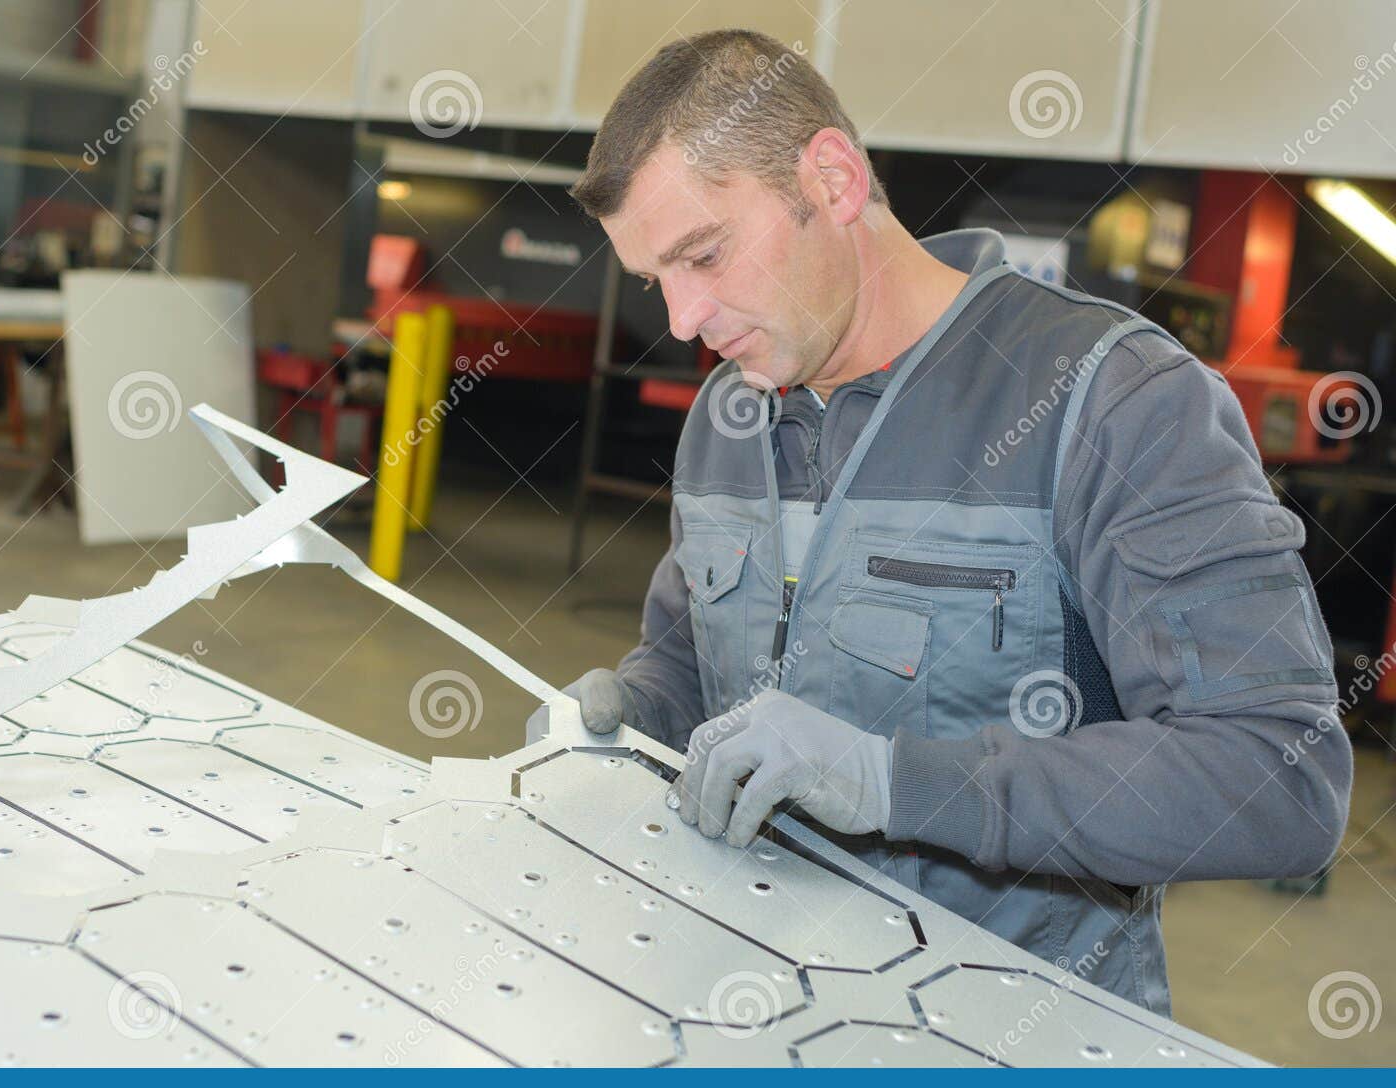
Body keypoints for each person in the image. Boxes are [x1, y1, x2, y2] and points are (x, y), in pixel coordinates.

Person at [554, 28, 1351, 1016]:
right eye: (653, 281)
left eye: (704, 254)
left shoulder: (1111, 400)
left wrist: (896, 783)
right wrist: (632, 715)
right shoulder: (732, 413)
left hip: (1008, 1046)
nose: (679, 320)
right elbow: (690, 663)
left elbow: (1277, 779)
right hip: (760, 1008)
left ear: (835, 180)